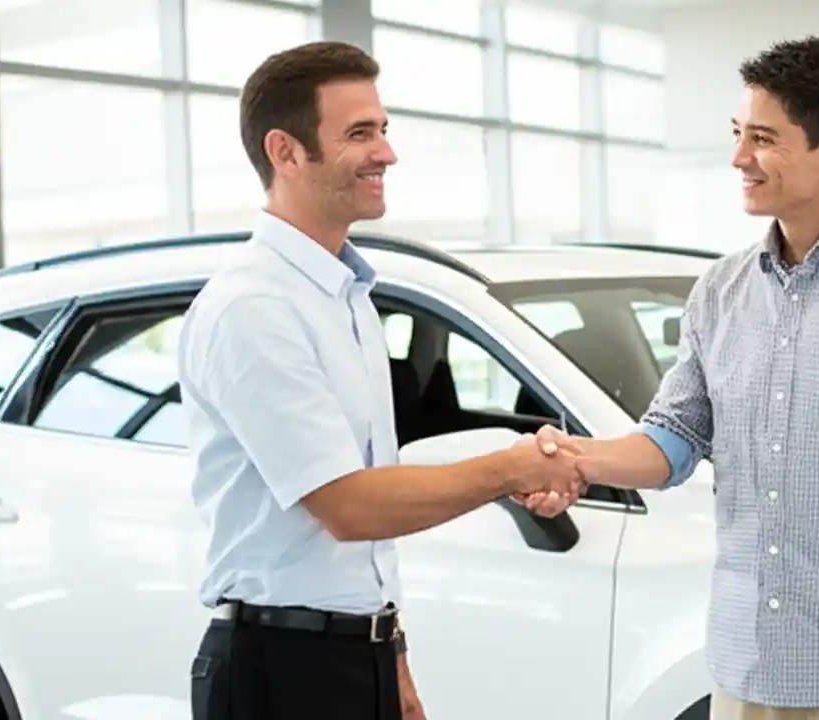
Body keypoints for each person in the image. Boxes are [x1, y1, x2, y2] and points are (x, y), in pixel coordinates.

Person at [521, 35, 819, 720]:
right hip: (742, 667)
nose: (740, 157)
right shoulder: (720, 290)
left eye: (764, 139)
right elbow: (674, 439)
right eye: (739, 134)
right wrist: (574, 460)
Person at [177, 41, 584, 720]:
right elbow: (351, 507)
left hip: (351, 657)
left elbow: (362, 533)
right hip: (280, 671)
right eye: (360, 133)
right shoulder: (254, 307)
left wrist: (389, 649)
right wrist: (512, 468)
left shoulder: (349, 298)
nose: (386, 154)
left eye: (383, 130)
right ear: (285, 151)